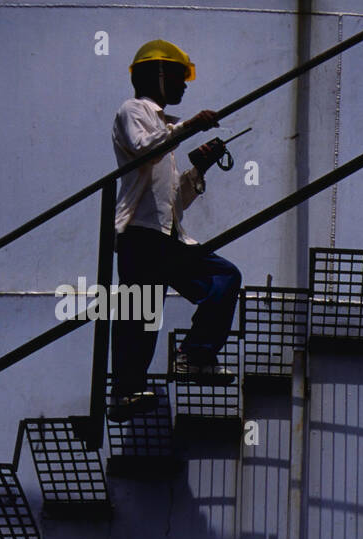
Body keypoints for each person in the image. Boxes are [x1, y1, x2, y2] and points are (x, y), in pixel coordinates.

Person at [108, 39, 242, 422]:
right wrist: (187, 127)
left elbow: (172, 203)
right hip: (140, 235)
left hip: (165, 237)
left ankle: (196, 356)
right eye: (181, 78)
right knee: (141, 316)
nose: (185, 87)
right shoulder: (132, 111)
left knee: (224, 277)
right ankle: (124, 394)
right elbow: (141, 146)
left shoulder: (167, 134)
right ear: (159, 74)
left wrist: (199, 168)